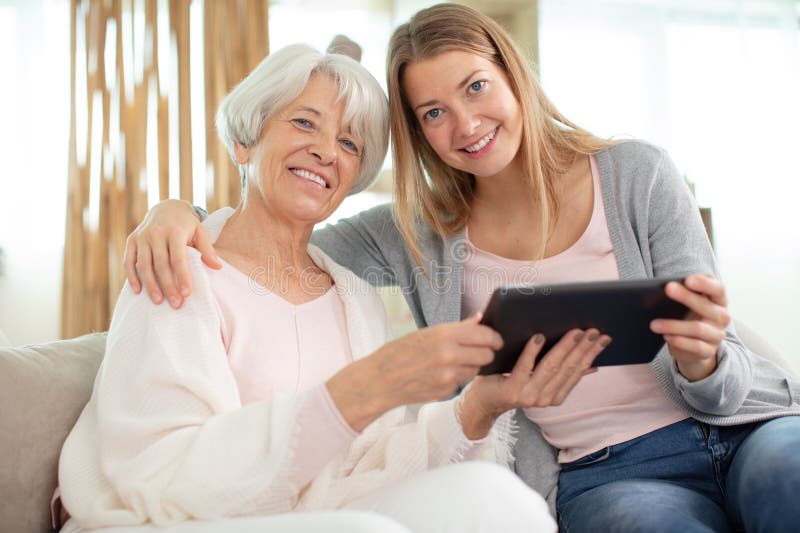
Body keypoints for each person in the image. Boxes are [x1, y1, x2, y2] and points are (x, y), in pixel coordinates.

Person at [123, 4, 800, 532]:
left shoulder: (637, 176)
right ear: (419, 133)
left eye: (477, 87)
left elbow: (730, 383)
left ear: (512, 75)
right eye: (434, 113)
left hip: (741, 429)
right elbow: (282, 228)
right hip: (608, 472)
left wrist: (702, 362)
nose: (466, 123)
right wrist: (177, 213)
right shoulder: (417, 235)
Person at [57, 43, 562, 533]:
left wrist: (479, 405)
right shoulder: (175, 267)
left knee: (499, 500)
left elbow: (371, 468)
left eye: (349, 143)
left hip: (320, 513)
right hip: (168, 516)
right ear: (245, 141)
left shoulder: (355, 298)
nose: (325, 151)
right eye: (304, 122)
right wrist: (357, 392)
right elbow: (159, 472)